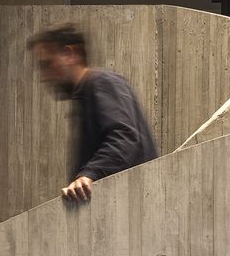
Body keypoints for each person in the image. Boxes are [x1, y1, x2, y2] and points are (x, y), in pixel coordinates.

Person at [27, 23, 158, 204]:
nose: (44, 76)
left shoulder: (101, 83)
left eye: (48, 64)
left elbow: (124, 137)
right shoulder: (86, 94)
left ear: (69, 54)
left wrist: (89, 175)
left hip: (135, 209)